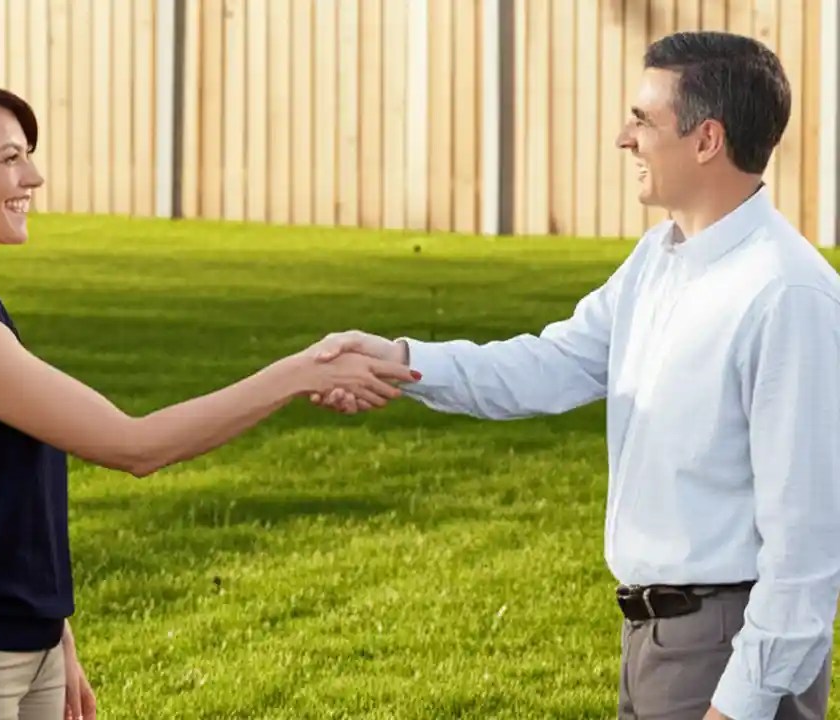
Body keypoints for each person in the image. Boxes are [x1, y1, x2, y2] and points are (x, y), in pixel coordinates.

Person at [0, 80, 416, 720]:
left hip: (24, 644)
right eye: (9, 158)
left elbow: (8, 501)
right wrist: (299, 371)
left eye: (26, 154)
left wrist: (57, 639)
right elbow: (133, 445)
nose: (34, 175)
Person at [312, 31, 839, 720]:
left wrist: (740, 703)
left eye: (643, 120)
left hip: (726, 650)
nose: (625, 138)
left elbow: (807, 542)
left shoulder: (787, 295)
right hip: (655, 643)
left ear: (706, 139)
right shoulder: (660, 258)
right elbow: (553, 363)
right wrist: (402, 361)